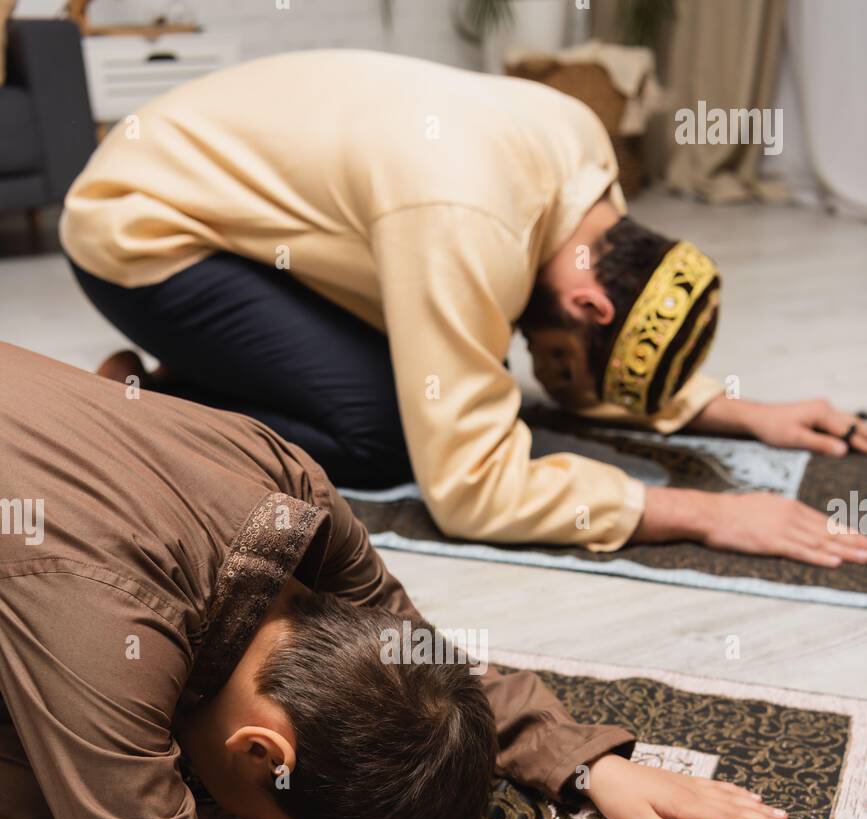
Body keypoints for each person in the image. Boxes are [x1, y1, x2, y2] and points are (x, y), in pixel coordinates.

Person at [0, 343, 794, 819]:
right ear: (262, 755)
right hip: (61, 575)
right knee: (38, 805)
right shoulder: (109, 635)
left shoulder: (288, 490)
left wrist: (572, 753)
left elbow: (411, 645)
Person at [60, 49, 867, 568]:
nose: (549, 376)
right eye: (562, 362)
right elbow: (469, 490)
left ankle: (216, 365)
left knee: (425, 385)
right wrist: (702, 513)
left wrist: (739, 413)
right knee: (382, 438)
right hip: (141, 224)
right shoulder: (467, 220)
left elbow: (601, 345)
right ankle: (144, 404)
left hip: (241, 199)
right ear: (588, 298)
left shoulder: (584, 160)